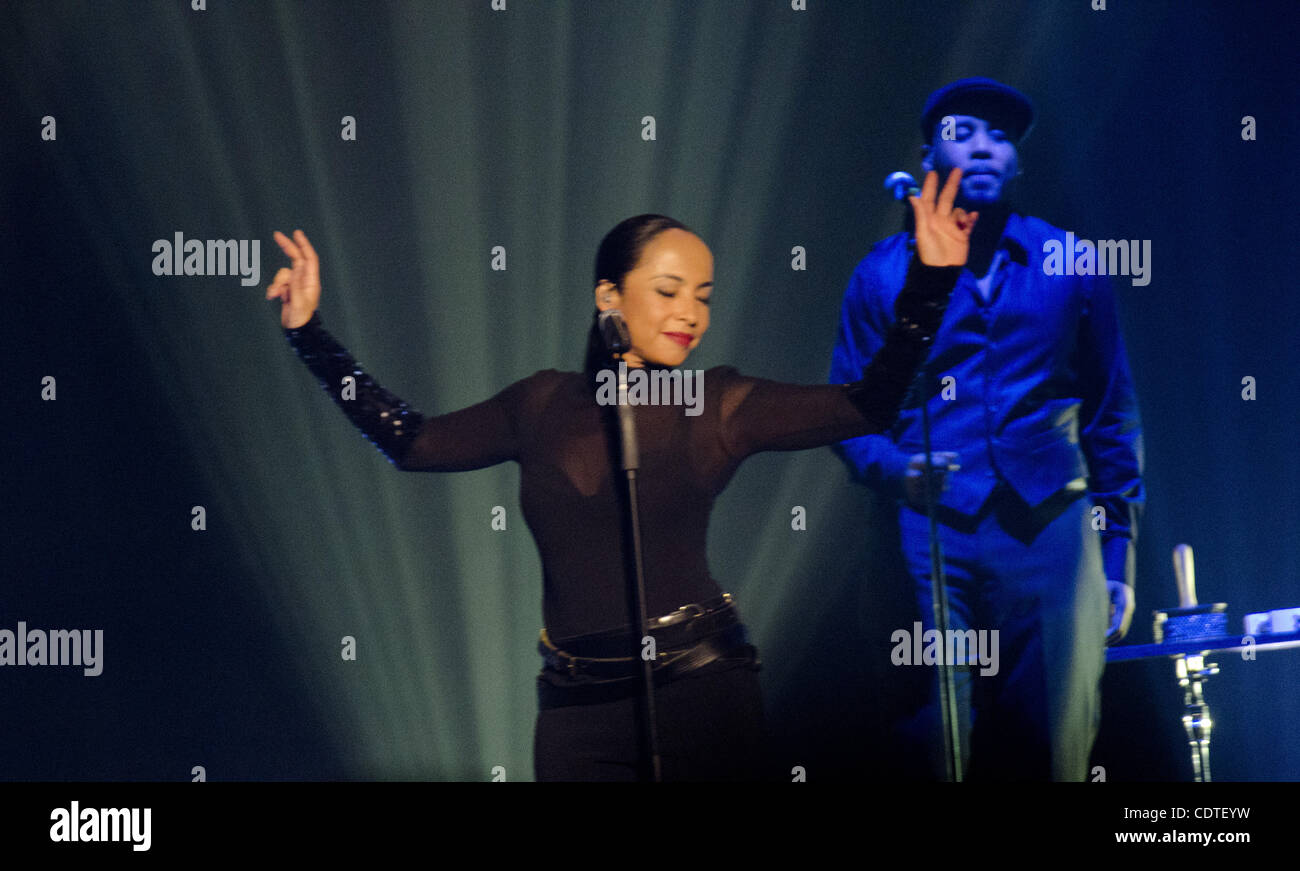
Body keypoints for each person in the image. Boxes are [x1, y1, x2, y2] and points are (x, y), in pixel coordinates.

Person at [270, 170, 975, 781]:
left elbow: (868, 402)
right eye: (668, 291)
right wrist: (311, 335)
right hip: (574, 708)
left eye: (701, 295)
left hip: (699, 689)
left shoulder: (713, 403)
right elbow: (413, 442)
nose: (690, 315)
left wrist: (932, 279)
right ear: (609, 295)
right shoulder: (539, 402)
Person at [829, 77, 1145, 781]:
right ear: (926, 153)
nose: (982, 144)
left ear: (1019, 165)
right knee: (930, 742)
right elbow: (848, 414)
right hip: (926, 529)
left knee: (1055, 743)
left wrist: (1117, 551)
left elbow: (1111, 410)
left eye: (1000, 136)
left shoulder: (1072, 262)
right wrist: (897, 472)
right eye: (962, 129)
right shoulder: (880, 277)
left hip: (1051, 524)